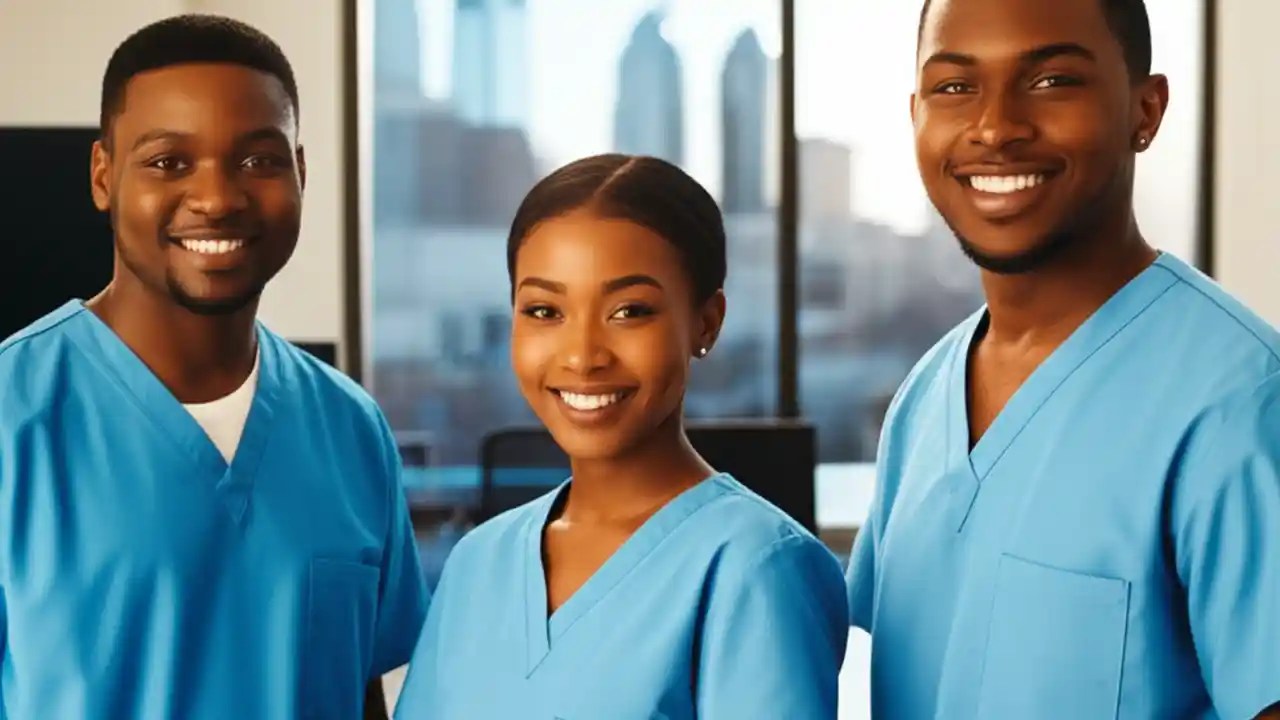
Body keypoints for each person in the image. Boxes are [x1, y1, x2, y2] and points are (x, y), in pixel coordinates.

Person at [846, 0, 1280, 718]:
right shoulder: (923, 401)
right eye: (955, 87)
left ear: (1145, 110)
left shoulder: (1243, 406)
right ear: (915, 114)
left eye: (1051, 81)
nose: (995, 127)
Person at [0, 15, 427, 719]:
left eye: (258, 161)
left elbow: (360, 693)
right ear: (103, 176)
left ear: (301, 173)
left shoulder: (351, 429)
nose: (219, 197)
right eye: (169, 162)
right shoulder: (16, 416)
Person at [393, 154, 848, 719]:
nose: (583, 356)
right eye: (544, 310)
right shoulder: (478, 562)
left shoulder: (756, 567)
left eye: (629, 311)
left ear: (706, 322)